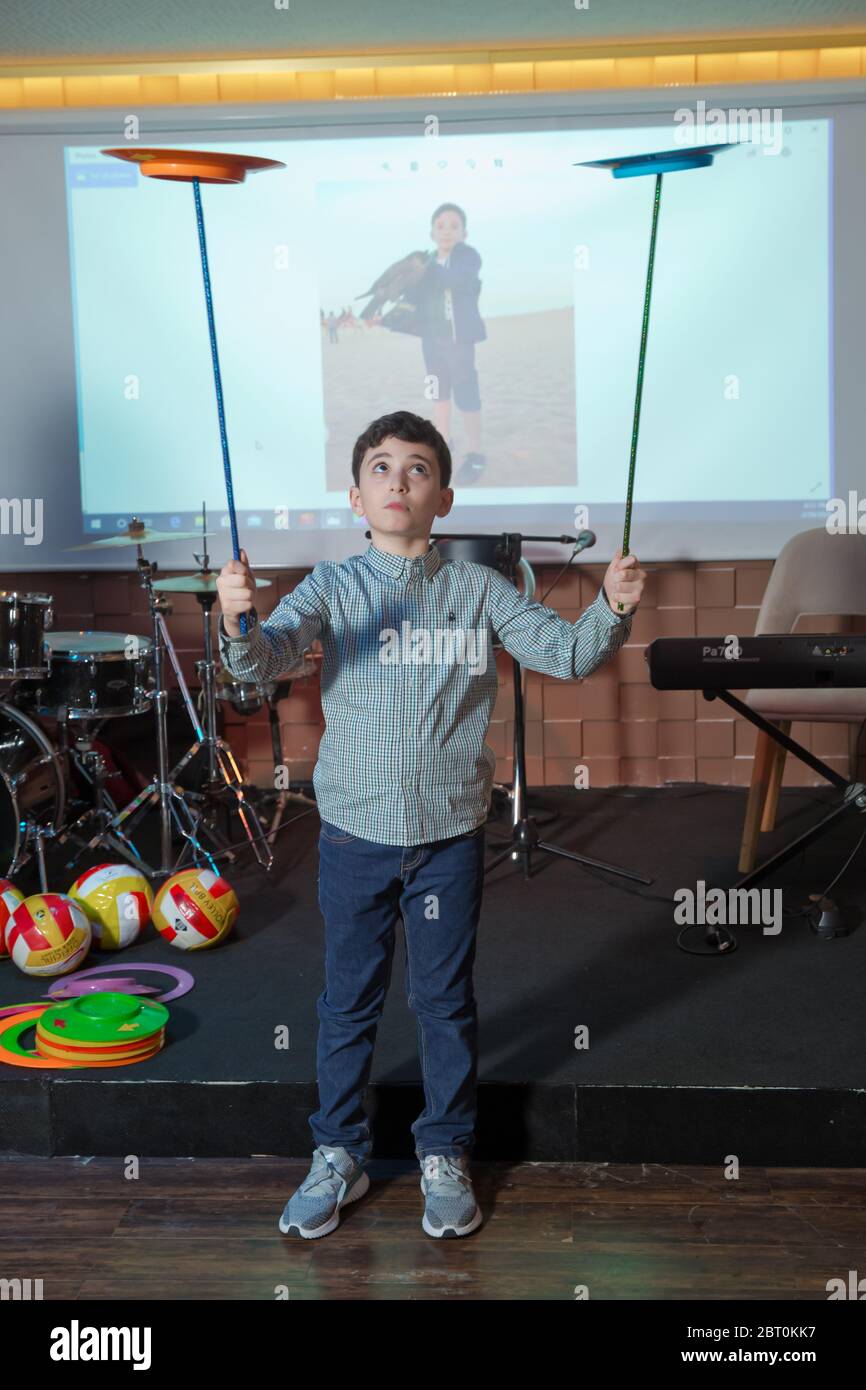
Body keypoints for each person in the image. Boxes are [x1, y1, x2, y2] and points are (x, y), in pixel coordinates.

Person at [216, 409, 645, 1240]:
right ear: (355, 495)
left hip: (448, 834)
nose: (398, 481)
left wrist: (614, 608)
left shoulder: (480, 588)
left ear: (443, 497)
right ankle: (337, 1152)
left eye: (417, 469)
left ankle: (444, 1152)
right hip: (353, 835)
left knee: (444, 1001)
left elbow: (565, 655)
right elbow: (262, 663)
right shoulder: (333, 588)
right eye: (381, 468)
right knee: (348, 1002)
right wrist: (237, 617)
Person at [411, 203, 487, 485]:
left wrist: (424, 268)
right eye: (441, 225)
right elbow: (414, 296)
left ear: (464, 233)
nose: (447, 231)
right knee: (438, 393)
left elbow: (457, 281)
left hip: (460, 339)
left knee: (466, 393)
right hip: (431, 340)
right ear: (431, 232)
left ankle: (476, 453)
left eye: (454, 226)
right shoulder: (427, 260)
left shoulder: (468, 257)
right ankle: (443, 447)